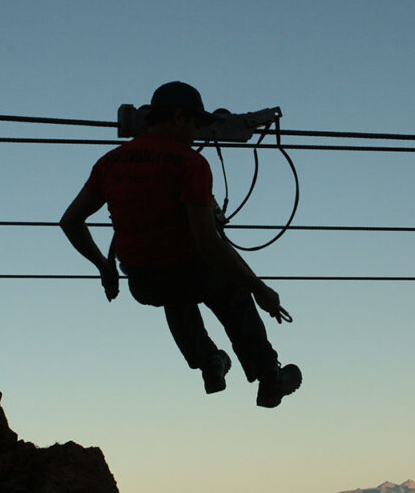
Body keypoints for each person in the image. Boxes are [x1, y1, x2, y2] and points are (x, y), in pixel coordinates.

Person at [59, 81, 301, 408]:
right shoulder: (190, 164)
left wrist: (105, 266)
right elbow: (207, 242)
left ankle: (209, 363)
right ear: (177, 118)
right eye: (195, 124)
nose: (196, 134)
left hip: (143, 282)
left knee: (174, 295)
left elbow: (71, 221)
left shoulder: (109, 163)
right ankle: (269, 378)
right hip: (191, 271)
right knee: (231, 290)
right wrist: (260, 288)